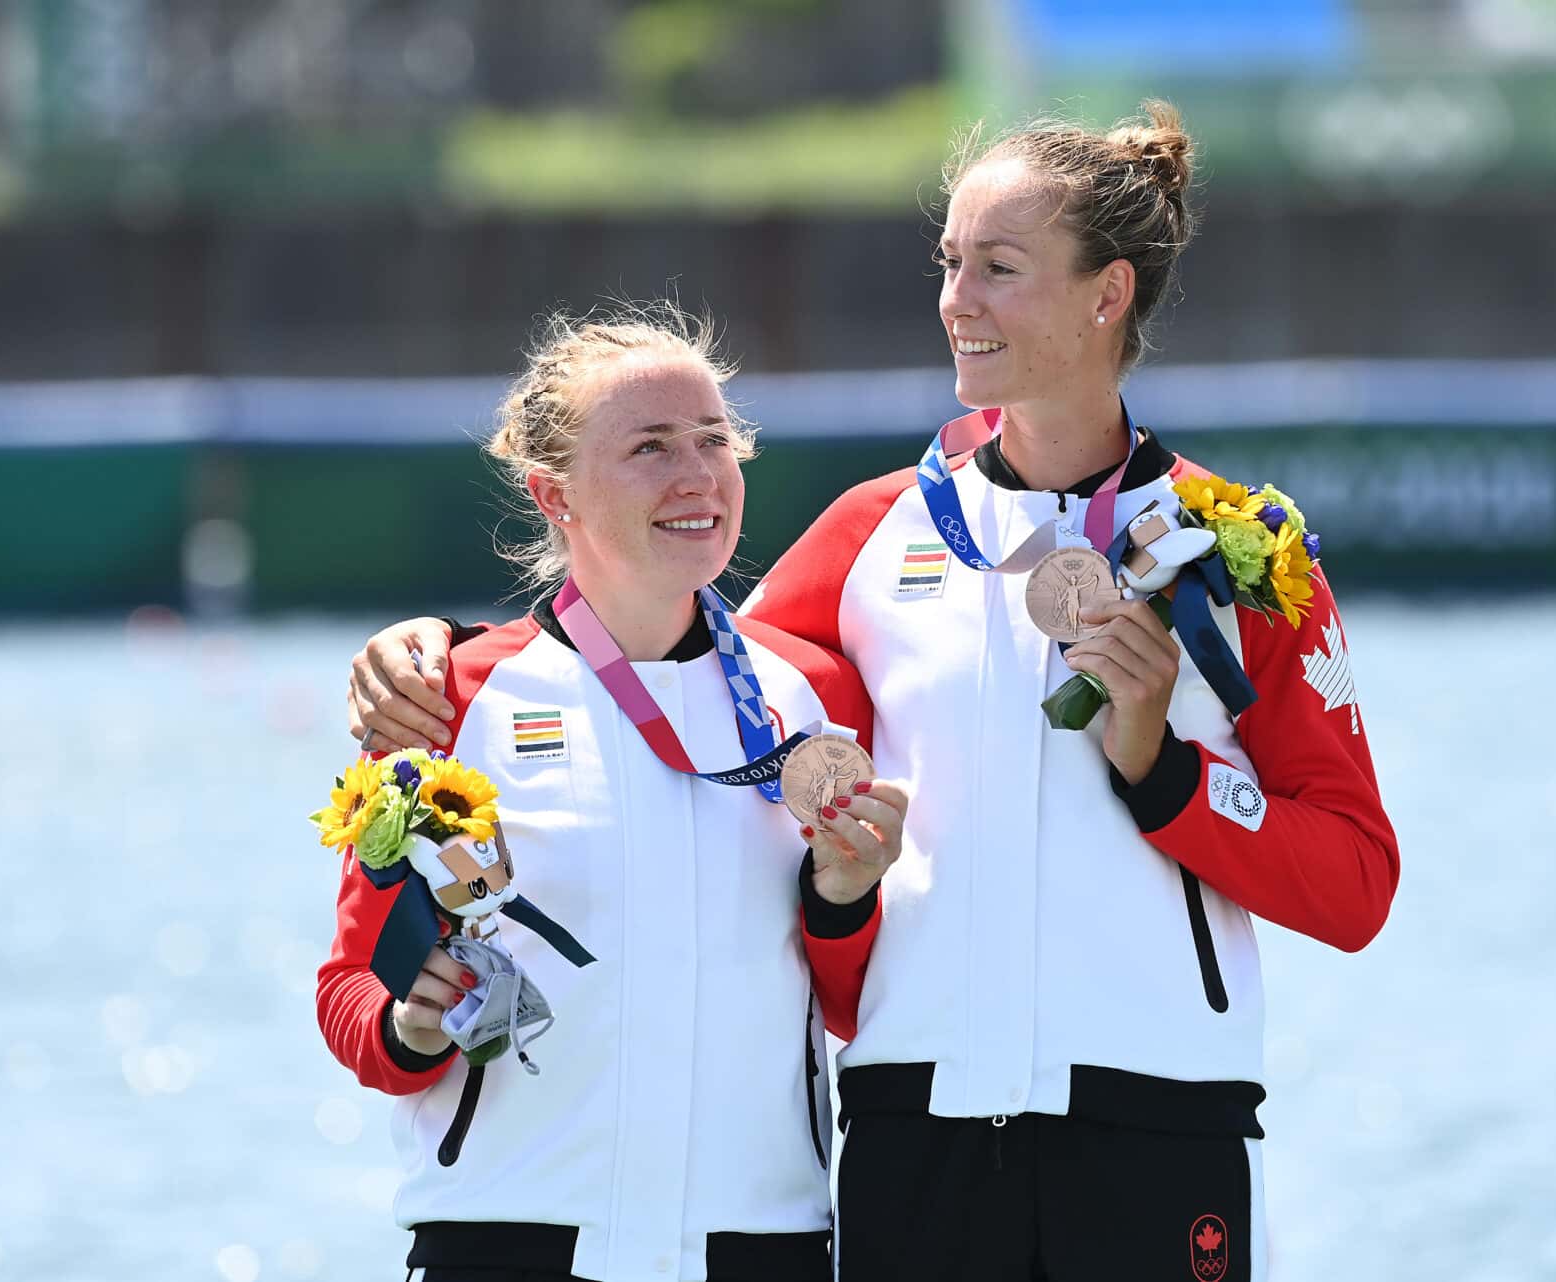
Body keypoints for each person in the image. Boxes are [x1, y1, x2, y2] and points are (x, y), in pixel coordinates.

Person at [348, 103, 1398, 1282]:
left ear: (1107, 295)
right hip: (912, 1137)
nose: (957, 299)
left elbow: (1356, 883)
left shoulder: (1239, 555)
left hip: (1158, 1125)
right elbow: (663, 668)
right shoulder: (871, 534)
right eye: (950, 263)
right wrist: (446, 647)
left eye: (997, 268)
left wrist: (1163, 771)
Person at [316, 304, 912, 1282]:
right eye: (649, 446)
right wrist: (408, 1028)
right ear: (557, 496)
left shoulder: (805, 698)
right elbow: (350, 986)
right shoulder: (450, 697)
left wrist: (845, 894)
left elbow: (849, 1004)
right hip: (510, 1241)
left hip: (759, 1244)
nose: (696, 475)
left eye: (713, 440)